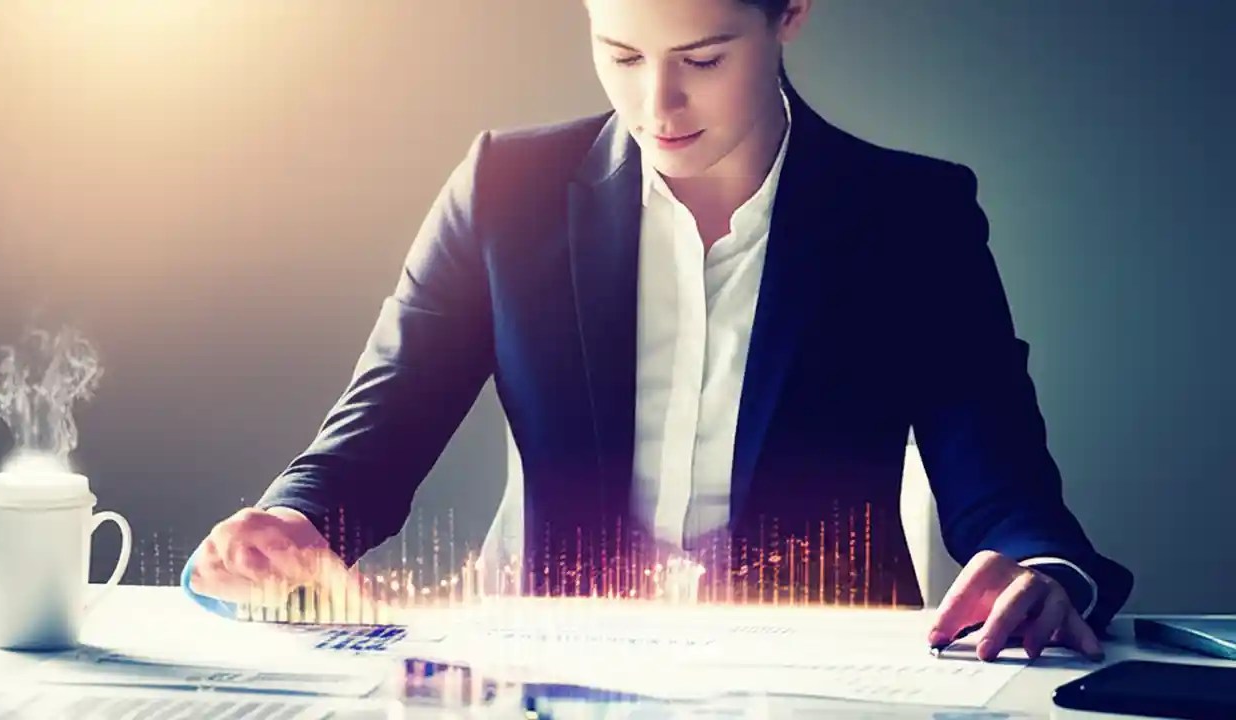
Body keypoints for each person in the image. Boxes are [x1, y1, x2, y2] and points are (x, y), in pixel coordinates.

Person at [184, 0, 1132, 663]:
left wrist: (1044, 574)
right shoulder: (503, 189)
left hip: (816, 685)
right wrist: (292, 527)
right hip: (538, 669)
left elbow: (1005, 490)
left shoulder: (910, 219)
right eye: (622, 53)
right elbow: (373, 439)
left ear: (792, 12)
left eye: (703, 59)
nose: (656, 106)